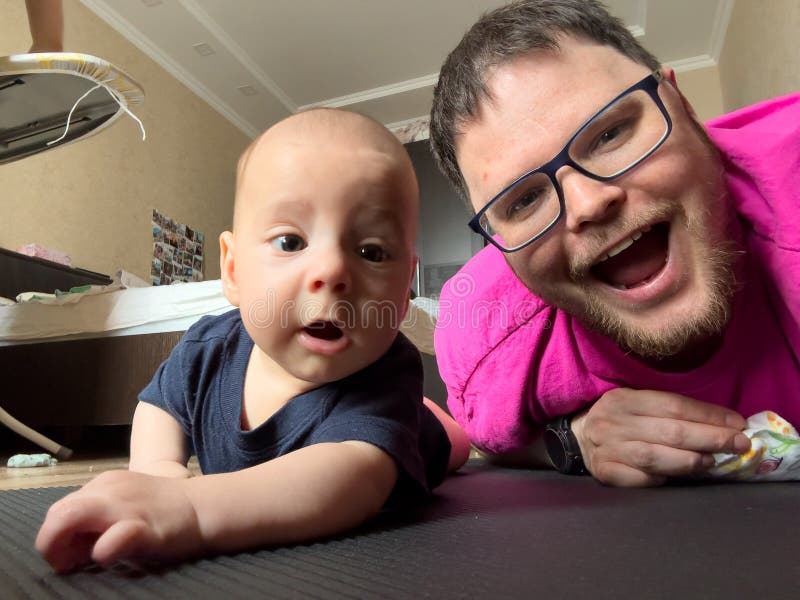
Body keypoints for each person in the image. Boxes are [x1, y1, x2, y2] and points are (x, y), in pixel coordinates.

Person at [36, 108, 470, 573]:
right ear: (233, 269)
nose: (332, 271)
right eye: (290, 242)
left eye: (371, 251)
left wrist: (192, 507)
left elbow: (351, 480)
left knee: (453, 445)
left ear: (404, 293)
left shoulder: (387, 371)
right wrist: (157, 472)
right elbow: (159, 406)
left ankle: (430, 419)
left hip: (404, 433)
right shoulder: (207, 348)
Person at [428, 0, 800, 487]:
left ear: (682, 105)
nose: (588, 204)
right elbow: (492, 443)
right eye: (523, 200)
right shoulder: (485, 337)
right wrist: (574, 439)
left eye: (610, 134)